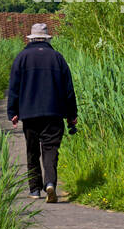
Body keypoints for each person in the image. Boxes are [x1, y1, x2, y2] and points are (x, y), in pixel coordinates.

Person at [7, 22, 77, 203]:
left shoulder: (21, 58)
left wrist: (12, 111)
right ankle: (50, 184)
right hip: (54, 112)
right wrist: (72, 115)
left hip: (29, 114)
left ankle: (35, 189)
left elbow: (14, 88)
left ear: (30, 38)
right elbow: (69, 89)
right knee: (50, 149)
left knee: (32, 151)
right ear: (47, 39)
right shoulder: (57, 58)